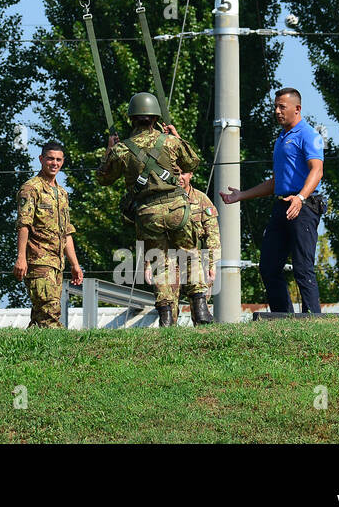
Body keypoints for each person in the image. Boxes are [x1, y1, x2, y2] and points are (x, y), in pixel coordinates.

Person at [95, 92, 202, 327]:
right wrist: (177, 137)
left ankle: (165, 315)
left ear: (132, 119)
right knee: (190, 255)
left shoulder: (122, 149)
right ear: (155, 118)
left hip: (148, 214)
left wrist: (109, 150)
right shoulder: (170, 142)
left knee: (159, 263)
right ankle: (200, 307)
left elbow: (103, 179)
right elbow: (193, 163)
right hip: (178, 209)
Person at [221, 87, 325, 313]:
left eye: (282, 107)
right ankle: (282, 317)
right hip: (281, 206)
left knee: (302, 267)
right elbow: (277, 182)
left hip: (304, 207)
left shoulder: (308, 135)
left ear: (297, 109)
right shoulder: (281, 138)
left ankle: (313, 319)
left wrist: (300, 197)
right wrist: (241, 195)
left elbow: (317, 171)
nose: (277, 111)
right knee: (268, 266)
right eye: (275, 107)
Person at [14, 141, 83, 328]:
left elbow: (66, 232)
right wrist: (21, 258)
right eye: (50, 159)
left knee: (39, 319)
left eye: (58, 160)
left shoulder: (61, 193)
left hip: (57, 264)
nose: (54, 163)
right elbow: (23, 225)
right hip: (39, 261)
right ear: (41, 159)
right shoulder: (30, 188)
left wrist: (75, 265)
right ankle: (63, 353)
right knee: (50, 314)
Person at [177, 171, 219, 324]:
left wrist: (212, 264)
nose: (179, 177)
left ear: (191, 175)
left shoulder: (201, 199)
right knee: (169, 306)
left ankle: (202, 343)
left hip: (198, 262)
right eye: (175, 173)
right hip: (171, 260)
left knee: (200, 310)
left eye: (183, 173)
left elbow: (212, 234)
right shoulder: (164, 200)